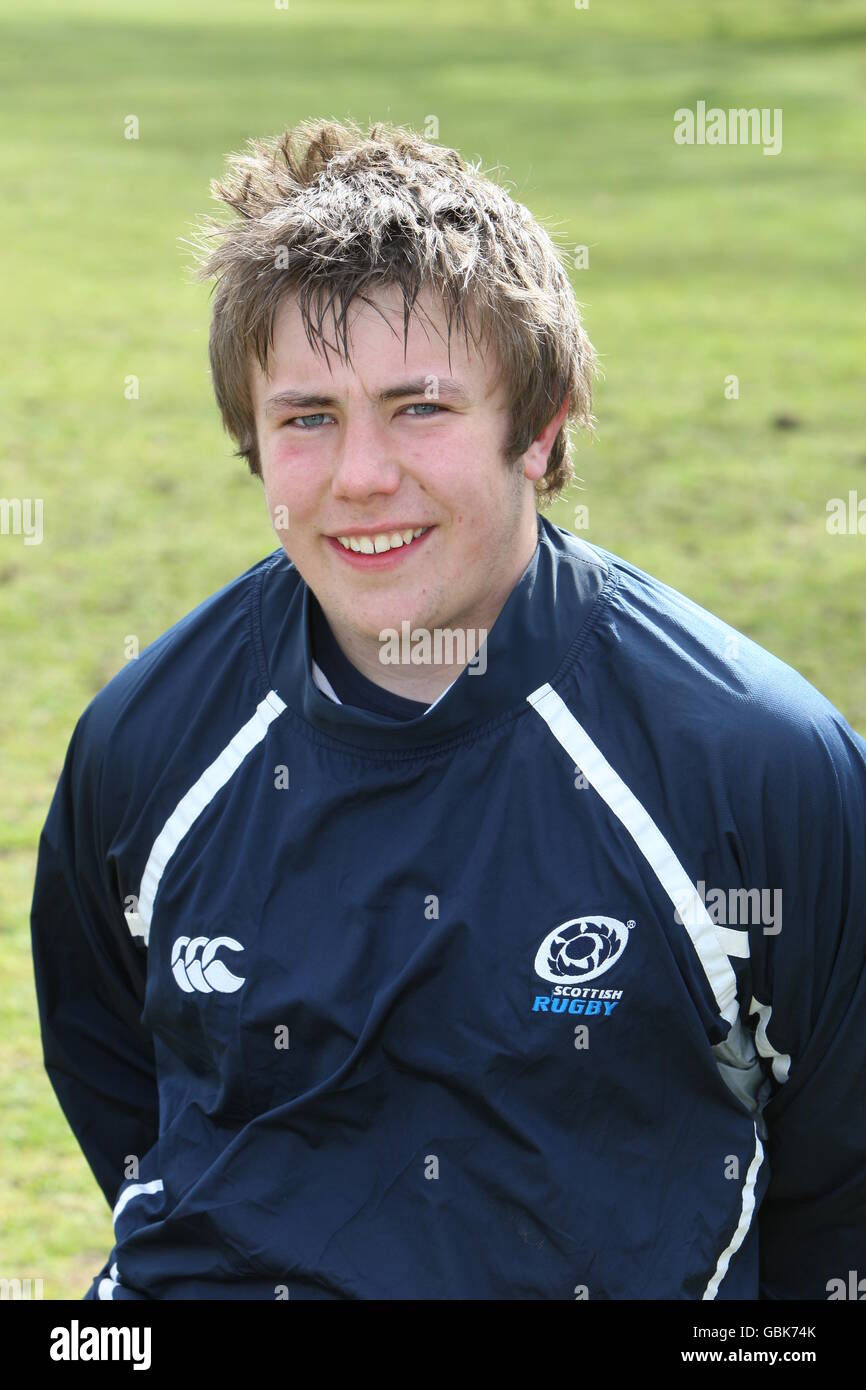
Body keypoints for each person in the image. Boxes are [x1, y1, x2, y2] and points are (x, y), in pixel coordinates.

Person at [30, 119, 866, 1301]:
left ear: (540, 423)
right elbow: (121, 1083)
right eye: (306, 417)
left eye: (418, 407)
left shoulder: (756, 766)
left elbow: (838, 1193)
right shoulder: (146, 744)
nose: (361, 474)